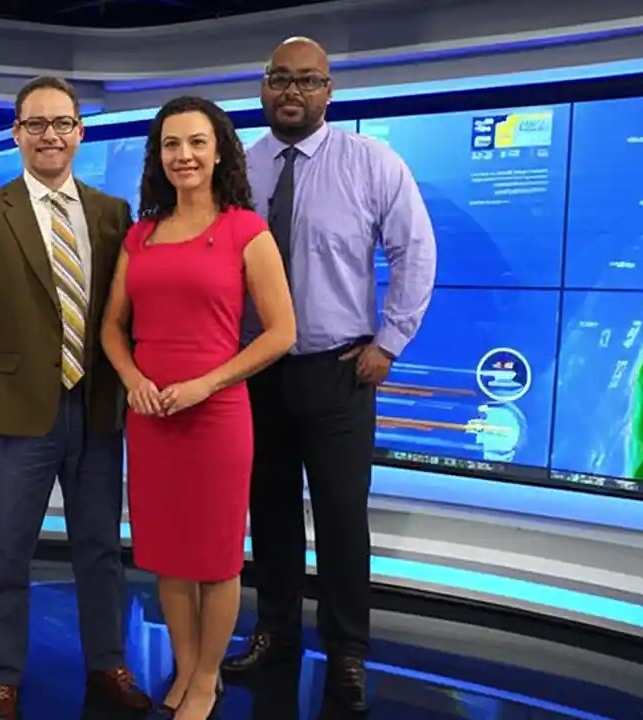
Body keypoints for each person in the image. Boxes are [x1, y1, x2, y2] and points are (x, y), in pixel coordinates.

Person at [221, 37, 436, 714]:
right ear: (263, 88)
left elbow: (416, 251)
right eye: (281, 79)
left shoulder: (371, 162)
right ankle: (275, 633)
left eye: (307, 81)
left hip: (339, 373)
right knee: (272, 514)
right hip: (257, 373)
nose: (292, 92)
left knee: (343, 518)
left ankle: (347, 653)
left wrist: (390, 343)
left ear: (328, 91)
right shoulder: (238, 170)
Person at [0, 76, 153, 720]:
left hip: (97, 408)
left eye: (62, 123)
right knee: (7, 550)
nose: (50, 135)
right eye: (36, 124)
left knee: (99, 549)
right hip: (14, 411)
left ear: (80, 132)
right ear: (17, 133)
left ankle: (108, 662)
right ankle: (1, 674)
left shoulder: (113, 213)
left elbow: (129, 314)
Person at [101, 95, 296, 720]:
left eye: (196, 143)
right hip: (151, 415)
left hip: (214, 415)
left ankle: (207, 679)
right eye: (171, 145)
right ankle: (184, 670)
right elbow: (112, 327)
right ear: (158, 157)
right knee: (167, 557)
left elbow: (280, 333)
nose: (183, 155)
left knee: (213, 558)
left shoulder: (246, 229)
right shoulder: (141, 233)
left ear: (219, 152)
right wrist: (132, 378)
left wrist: (206, 385)